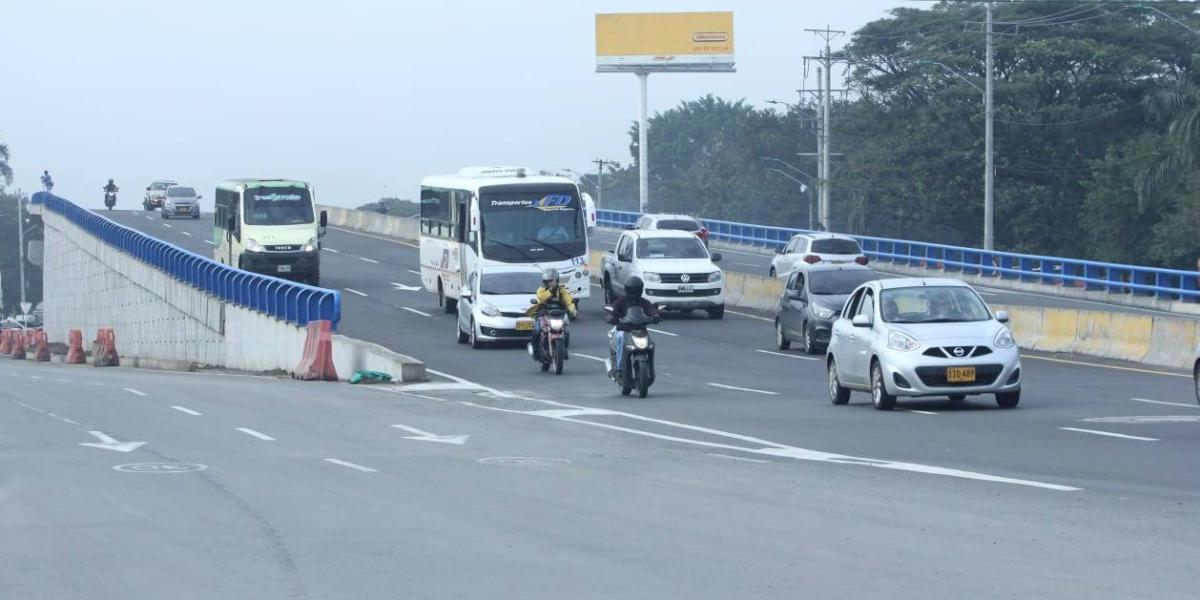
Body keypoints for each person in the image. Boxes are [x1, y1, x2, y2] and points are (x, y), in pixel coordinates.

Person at [605, 276, 660, 379]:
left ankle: (650, 369)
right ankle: (619, 369)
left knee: (651, 343)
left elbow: (651, 309)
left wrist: (655, 316)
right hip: (623, 329)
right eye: (631, 290)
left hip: (640, 330)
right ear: (627, 290)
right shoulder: (621, 301)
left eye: (636, 290)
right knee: (620, 338)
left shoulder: (644, 302)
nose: (634, 293)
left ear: (640, 290)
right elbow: (611, 310)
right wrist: (611, 317)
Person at [526, 268, 576, 358]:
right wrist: (551, 290)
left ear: (556, 280)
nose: (549, 282)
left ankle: (563, 348)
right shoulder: (541, 290)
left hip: (558, 315)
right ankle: (536, 353)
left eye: (551, 281)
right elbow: (541, 298)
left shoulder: (561, 291)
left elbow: (569, 301)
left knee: (566, 330)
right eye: (547, 281)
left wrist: (572, 310)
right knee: (536, 331)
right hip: (543, 314)